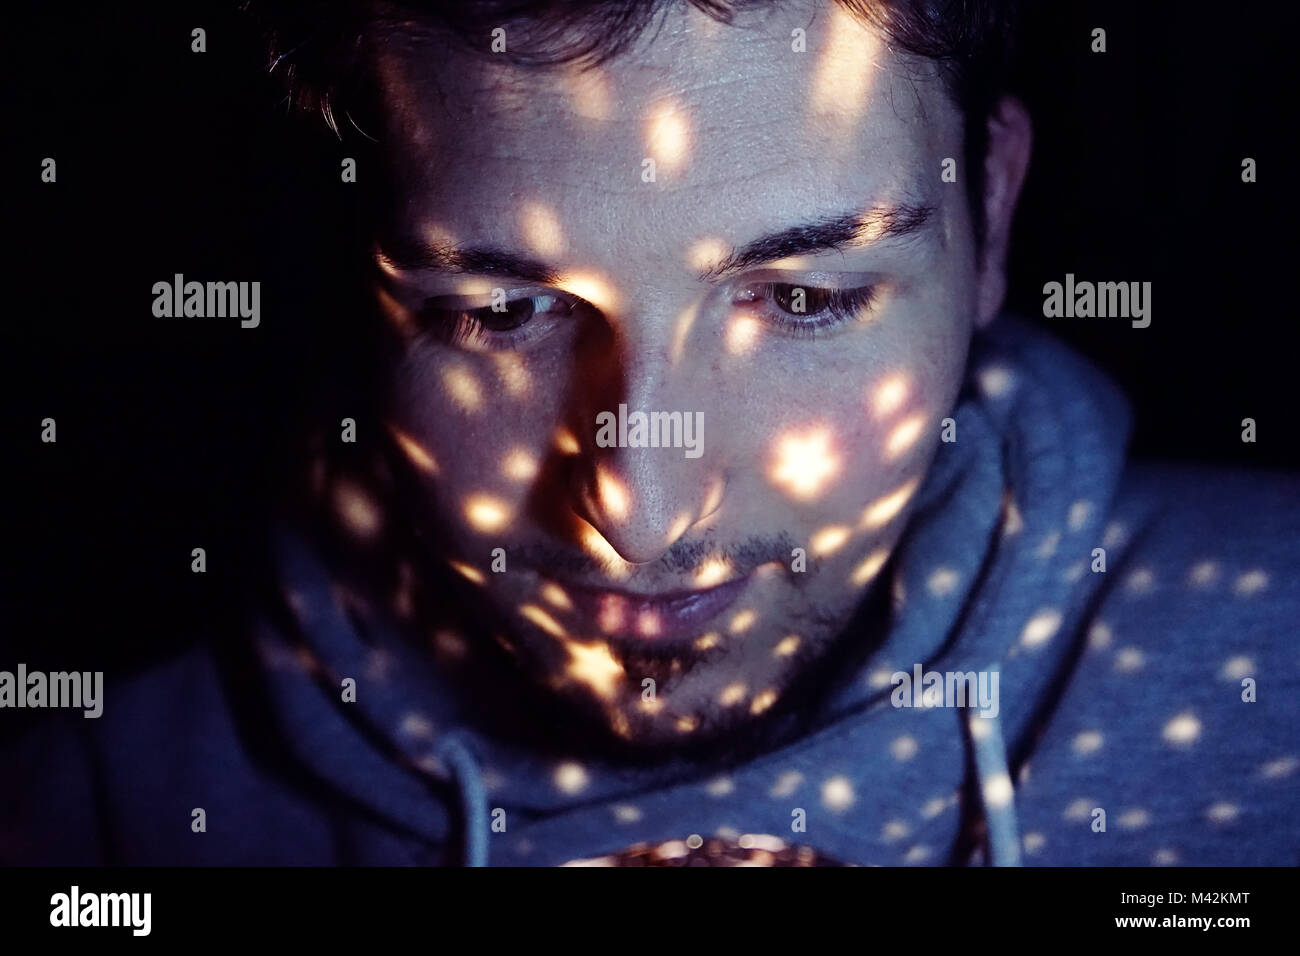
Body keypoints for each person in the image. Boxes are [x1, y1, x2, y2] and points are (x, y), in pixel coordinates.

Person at [2, 0, 1296, 867]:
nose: (643, 503)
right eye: (503, 314)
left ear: (994, 217)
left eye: (805, 298)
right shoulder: (94, 821)